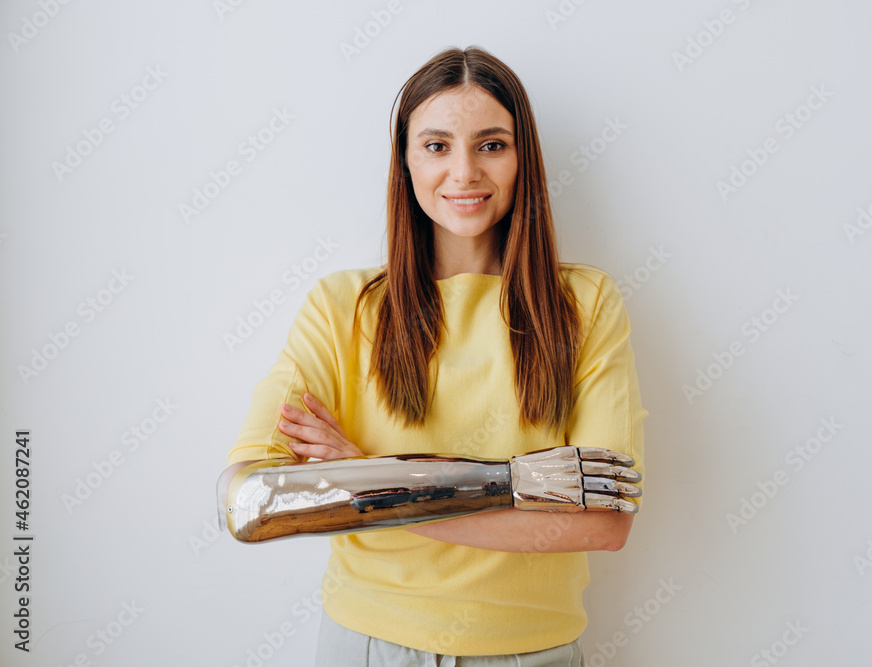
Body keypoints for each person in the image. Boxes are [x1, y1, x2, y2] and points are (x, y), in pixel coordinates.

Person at [225, 45, 648, 666]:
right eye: (436, 145)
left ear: (521, 157)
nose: (464, 172)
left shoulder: (585, 303)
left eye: (491, 144)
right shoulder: (342, 306)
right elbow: (252, 503)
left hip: (535, 653)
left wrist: (366, 476)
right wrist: (517, 485)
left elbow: (603, 523)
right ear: (406, 162)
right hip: (371, 646)